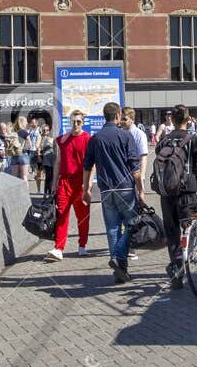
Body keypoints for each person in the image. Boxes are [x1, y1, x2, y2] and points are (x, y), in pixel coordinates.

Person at [153, 105, 197, 290]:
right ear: (188, 119)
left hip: (167, 195)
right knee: (193, 227)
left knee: (172, 234)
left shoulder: (163, 141)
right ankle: (187, 255)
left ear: (173, 120)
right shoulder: (193, 139)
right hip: (187, 194)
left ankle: (177, 269)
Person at [84, 102, 143, 284]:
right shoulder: (125, 136)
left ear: (104, 116)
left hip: (106, 189)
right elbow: (135, 167)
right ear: (118, 115)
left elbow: (87, 166)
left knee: (112, 228)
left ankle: (119, 269)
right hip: (125, 187)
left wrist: (86, 189)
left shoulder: (96, 138)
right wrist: (140, 188)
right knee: (132, 225)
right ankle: (118, 259)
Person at [45, 112, 92, 262]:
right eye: (73, 122)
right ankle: (58, 248)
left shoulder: (88, 139)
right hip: (64, 183)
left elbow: (92, 164)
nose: (76, 124)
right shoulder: (62, 140)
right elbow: (58, 162)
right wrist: (54, 182)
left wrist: (88, 183)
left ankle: (82, 245)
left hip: (81, 182)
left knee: (83, 216)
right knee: (62, 215)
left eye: (78, 122)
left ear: (83, 123)